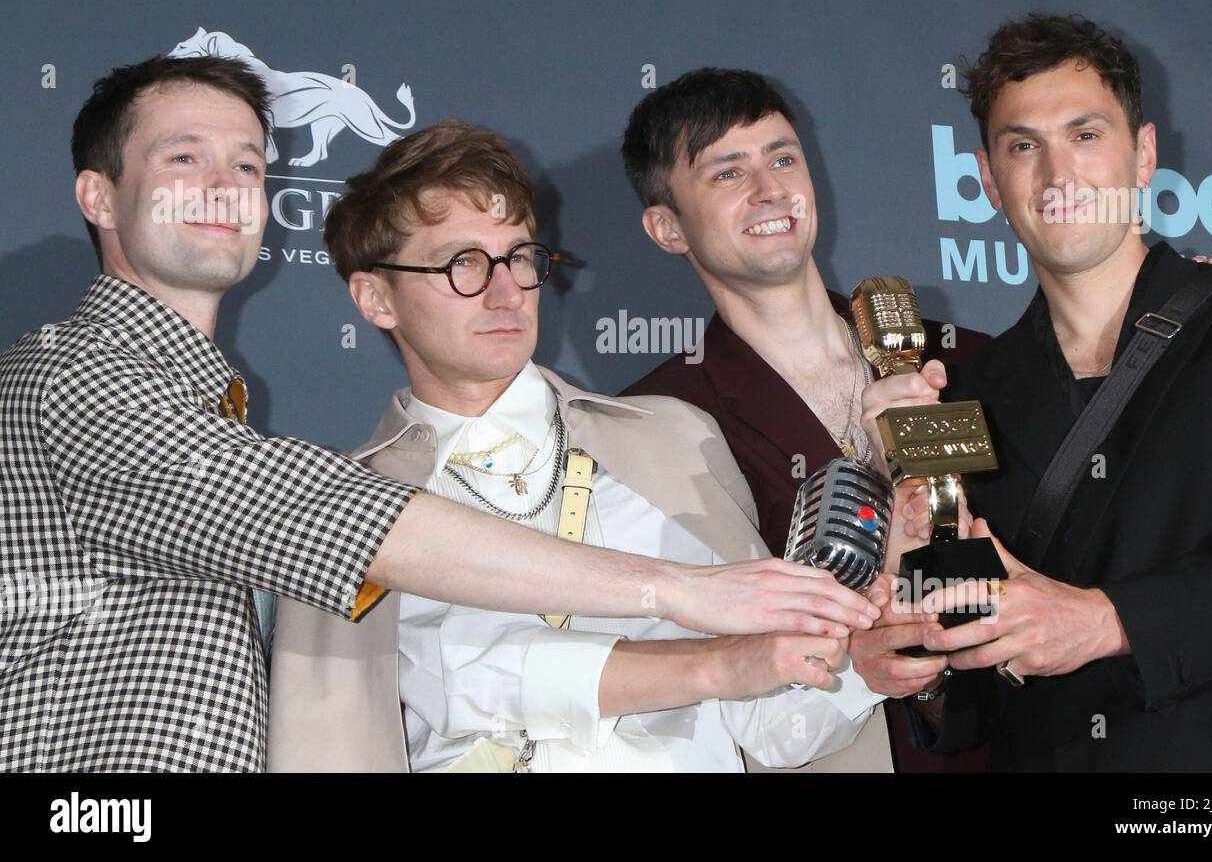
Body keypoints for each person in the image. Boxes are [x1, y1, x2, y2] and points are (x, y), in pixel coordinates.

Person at [0, 56, 877, 772]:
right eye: (182, 159)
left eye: (249, 165)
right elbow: (373, 558)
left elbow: (781, 712)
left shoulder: (673, 435)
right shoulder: (80, 378)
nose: (224, 186)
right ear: (99, 197)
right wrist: (688, 604)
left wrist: (858, 645)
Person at [268, 120, 880, 771]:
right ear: (375, 297)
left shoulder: (673, 438)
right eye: (463, 264)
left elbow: (774, 725)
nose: (506, 292)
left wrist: (866, 661)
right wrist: (715, 661)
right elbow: (471, 674)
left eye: (520, 257)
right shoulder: (341, 505)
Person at [850, 13, 1212, 770]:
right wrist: (910, 649)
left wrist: (1105, 621)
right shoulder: (959, 396)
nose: (1058, 176)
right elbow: (972, 691)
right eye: (1024, 146)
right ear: (990, 180)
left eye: (1085, 135)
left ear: (1144, 154)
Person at [619, 68, 990, 772]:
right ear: (668, 226)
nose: (770, 191)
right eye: (728, 174)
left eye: (783, 158)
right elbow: (707, 677)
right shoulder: (655, 422)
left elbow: (1021, 584)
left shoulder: (961, 361)